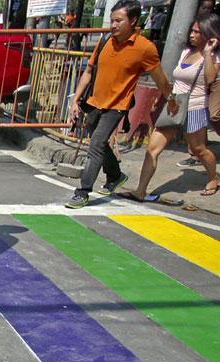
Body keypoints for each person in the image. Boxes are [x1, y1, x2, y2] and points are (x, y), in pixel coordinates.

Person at [66, 0, 173, 209]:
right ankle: (115, 175)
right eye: (112, 20)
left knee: (96, 145)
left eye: (118, 20)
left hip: (117, 106)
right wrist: (75, 100)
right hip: (94, 102)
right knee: (99, 143)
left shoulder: (145, 48)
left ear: (133, 21)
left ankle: (82, 192)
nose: (113, 25)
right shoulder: (105, 40)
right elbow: (88, 72)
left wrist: (171, 100)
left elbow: (160, 79)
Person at [126, 15, 220, 202]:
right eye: (191, 30)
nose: (192, 35)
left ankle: (213, 177)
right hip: (174, 106)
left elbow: (210, 80)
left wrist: (208, 52)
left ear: (209, 34)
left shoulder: (213, 57)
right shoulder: (186, 51)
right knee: (152, 148)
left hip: (195, 108)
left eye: (197, 32)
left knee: (199, 149)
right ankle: (140, 191)